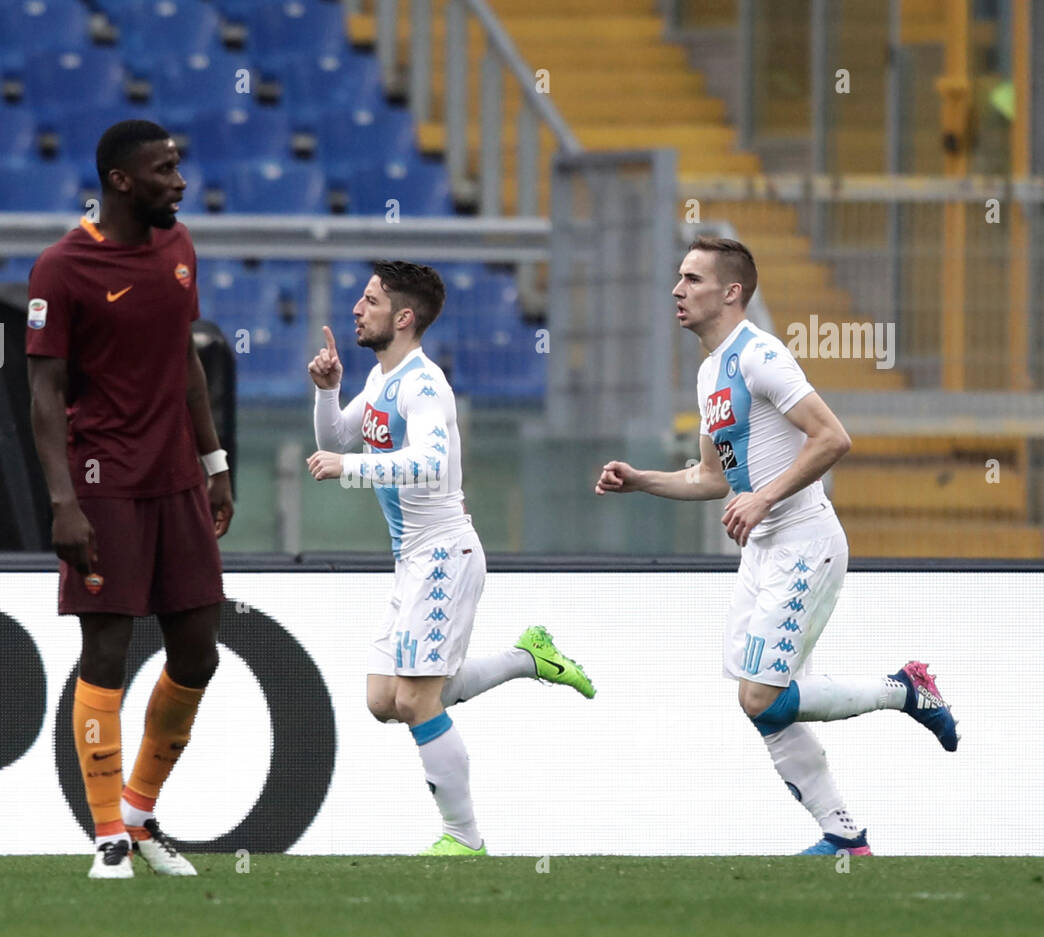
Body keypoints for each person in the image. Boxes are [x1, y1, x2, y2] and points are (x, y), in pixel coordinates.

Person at [595, 236, 958, 856]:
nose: (677, 290)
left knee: (760, 695)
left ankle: (906, 688)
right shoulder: (711, 371)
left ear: (731, 292)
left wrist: (763, 497)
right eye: (678, 278)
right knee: (763, 704)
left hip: (804, 543)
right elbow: (713, 476)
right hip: (762, 554)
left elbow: (831, 437)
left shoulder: (761, 355)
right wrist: (643, 480)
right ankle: (844, 836)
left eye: (692, 279)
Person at [308, 260, 596, 856]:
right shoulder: (383, 379)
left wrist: (352, 469)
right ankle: (526, 658)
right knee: (384, 700)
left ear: (404, 318)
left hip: (444, 553)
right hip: (412, 559)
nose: (357, 310)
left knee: (416, 700)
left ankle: (463, 838)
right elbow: (334, 438)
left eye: (370, 301)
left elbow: (430, 462)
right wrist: (328, 389)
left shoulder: (423, 383)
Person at [27, 120, 233, 879]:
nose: (180, 182)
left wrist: (214, 462)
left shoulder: (179, 250)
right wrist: (62, 503)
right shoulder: (62, 268)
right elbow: (43, 395)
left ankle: (143, 814)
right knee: (106, 651)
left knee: (198, 653)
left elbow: (184, 359)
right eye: (165, 170)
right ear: (121, 181)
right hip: (101, 482)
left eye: (178, 167)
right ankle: (108, 834)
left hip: (177, 477)